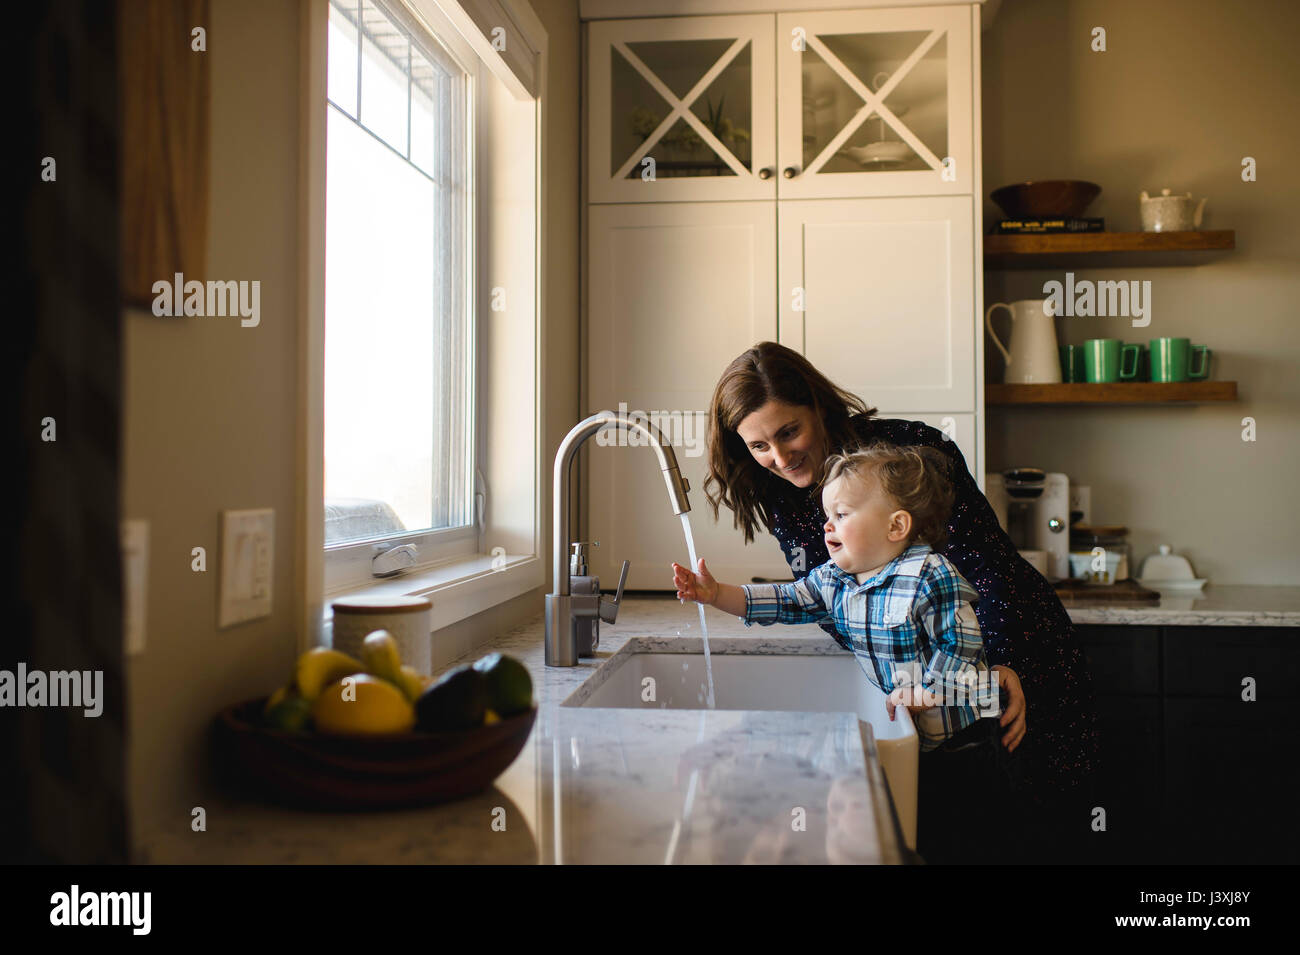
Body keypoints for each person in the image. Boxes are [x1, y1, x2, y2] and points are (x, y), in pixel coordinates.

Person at [697, 341, 1099, 863]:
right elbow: (820, 593)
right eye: (758, 446)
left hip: (1012, 649)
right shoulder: (779, 490)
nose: (778, 456)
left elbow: (988, 572)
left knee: (1031, 829)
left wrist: (999, 663)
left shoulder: (906, 454)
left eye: (789, 431)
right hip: (924, 700)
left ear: (817, 406)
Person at [674, 444, 1020, 863]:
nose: (827, 526)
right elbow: (786, 599)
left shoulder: (928, 572)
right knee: (917, 839)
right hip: (918, 741)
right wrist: (716, 594)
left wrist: (928, 691)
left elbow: (962, 642)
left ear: (896, 526)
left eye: (841, 515)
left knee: (967, 842)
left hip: (965, 741)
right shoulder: (836, 579)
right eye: (826, 516)